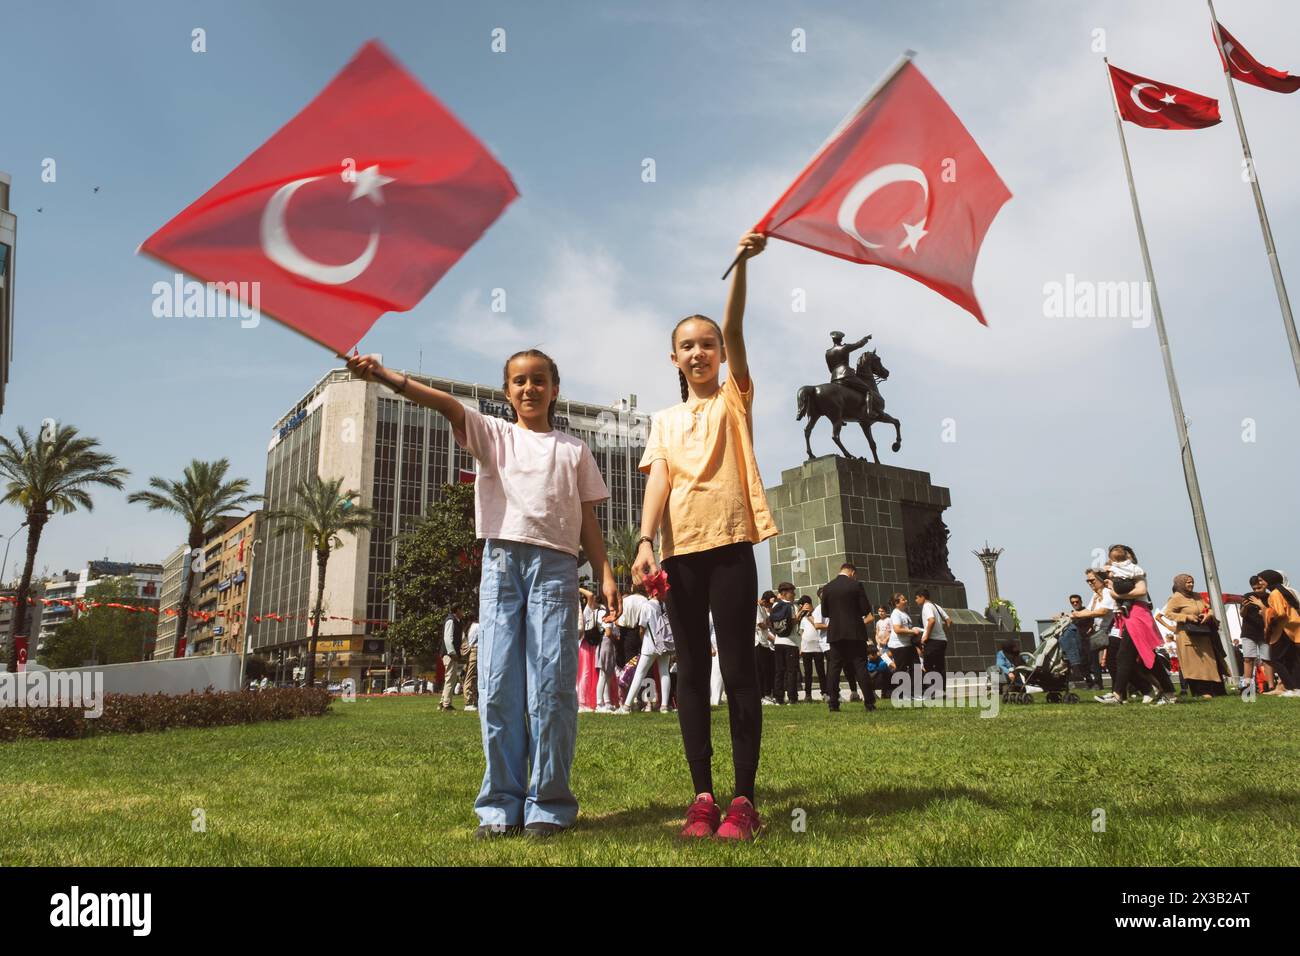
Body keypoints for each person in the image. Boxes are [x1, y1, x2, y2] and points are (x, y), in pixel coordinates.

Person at [347, 349, 618, 839]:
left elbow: (588, 519)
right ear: (507, 391)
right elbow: (448, 405)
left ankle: (548, 805)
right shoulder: (495, 435)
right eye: (519, 381)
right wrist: (388, 376)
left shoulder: (573, 449)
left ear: (555, 389)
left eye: (539, 380)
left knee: (552, 688)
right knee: (496, 685)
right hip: (502, 564)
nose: (529, 388)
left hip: (556, 566)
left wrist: (605, 573)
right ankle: (500, 806)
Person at [631, 231, 777, 841]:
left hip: (733, 547)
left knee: (739, 668)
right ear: (674, 359)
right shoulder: (663, 421)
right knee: (690, 671)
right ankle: (702, 796)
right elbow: (659, 478)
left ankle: (743, 800)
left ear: (720, 353)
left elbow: (737, 326)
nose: (699, 352)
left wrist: (740, 265)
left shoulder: (734, 402)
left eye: (707, 344)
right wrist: (644, 542)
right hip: (681, 554)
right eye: (687, 347)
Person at [1093, 545, 1176, 705]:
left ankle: (1118, 695)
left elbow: (1141, 590)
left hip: (1137, 616)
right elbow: (1098, 572)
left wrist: (1117, 593)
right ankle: (1169, 693)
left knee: (1124, 656)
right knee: (1147, 658)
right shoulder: (1118, 575)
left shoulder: (1135, 573)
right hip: (1129, 617)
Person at [821, 563, 877, 712]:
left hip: (835, 632)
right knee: (860, 666)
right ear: (852, 572)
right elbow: (865, 609)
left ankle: (833, 703)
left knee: (834, 668)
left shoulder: (827, 587)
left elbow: (825, 612)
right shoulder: (856, 585)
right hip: (855, 631)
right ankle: (869, 703)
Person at [617, 576, 675, 713]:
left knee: (639, 673)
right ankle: (664, 706)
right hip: (664, 644)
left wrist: (643, 638)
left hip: (649, 645)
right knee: (664, 672)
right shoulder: (665, 606)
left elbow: (642, 628)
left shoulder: (647, 606)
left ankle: (626, 706)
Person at [1162, 574, 1224, 699]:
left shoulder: (1198, 596)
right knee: (1193, 665)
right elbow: (1168, 613)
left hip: (1202, 634)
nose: (1191, 584)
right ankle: (1199, 691)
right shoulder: (1175, 598)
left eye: (1192, 582)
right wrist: (1186, 617)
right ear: (1180, 584)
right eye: (1188, 582)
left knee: (1207, 663)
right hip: (1187, 636)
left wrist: (1209, 614)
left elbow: (1208, 608)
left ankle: (1212, 689)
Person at [1258, 569, 1300, 697]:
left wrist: (1266, 613)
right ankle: (1296, 688)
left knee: (1276, 659)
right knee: (1293, 659)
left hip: (1282, 630)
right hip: (1293, 628)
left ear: (1269, 579)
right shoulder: (1286, 592)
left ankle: (1290, 687)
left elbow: (1279, 613)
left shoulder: (1275, 594)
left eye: (1261, 580)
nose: (1260, 583)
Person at [1239, 575, 1272, 694]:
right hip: (1249, 632)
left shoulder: (1270, 597)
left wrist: (1260, 605)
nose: (1257, 591)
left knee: (1267, 659)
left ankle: (1269, 685)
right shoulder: (1248, 596)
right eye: (1254, 588)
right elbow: (1242, 614)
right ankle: (1247, 687)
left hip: (1265, 632)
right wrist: (1245, 607)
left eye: (1259, 587)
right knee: (1248, 658)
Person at [916, 588, 951, 700]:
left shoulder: (926, 606)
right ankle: (942, 691)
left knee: (928, 666)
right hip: (942, 640)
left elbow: (931, 620)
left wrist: (926, 635)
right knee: (940, 667)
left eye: (916, 598)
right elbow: (949, 621)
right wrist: (941, 631)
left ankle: (932, 692)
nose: (916, 601)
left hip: (932, 641)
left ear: (922, 597)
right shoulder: (936, 606)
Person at [769, 582, 800, 705]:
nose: (794, 594)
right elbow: (792, 623)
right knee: (791, 671)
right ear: (785, 593)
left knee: (779, 671)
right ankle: (792, 698)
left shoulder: (776, 605)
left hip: (778, 642)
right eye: (792, 592)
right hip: (790, 642)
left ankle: (779, 698)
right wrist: (800, 615)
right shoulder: (791, 606)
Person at [887, 592, 922, 701]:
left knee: (916, 667)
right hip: (898, 645)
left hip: (907, 644)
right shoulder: (896, 613)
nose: (906, 601)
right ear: (897, 603)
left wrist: (915, 630)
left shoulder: (904, 613)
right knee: (901, 670)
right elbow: (897, 630)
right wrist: (912, 631)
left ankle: (915, 693)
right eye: (903, 599)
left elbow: (906, 628)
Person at [797, 596, 826, 702]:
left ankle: (824, 692)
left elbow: (818, 625)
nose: (803, 607)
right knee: (807, 672)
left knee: (820, 671)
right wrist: (801, 647)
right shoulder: (802, 618)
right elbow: (802, 633)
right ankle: (808, 695)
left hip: (818, 647)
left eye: (804, 605)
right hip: (806, 648)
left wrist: (811, 615)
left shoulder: (816, 614)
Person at [440, 606, 466, 712]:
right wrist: (452, 653)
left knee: (450, 679)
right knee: (450, 679)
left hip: (451, 654)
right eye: (462, 609)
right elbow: (447, 638)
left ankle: (443, 702)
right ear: (457, 610)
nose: (463, 612)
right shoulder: (451, 621)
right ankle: (446, 704)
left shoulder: (457, 621)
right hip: (449, 654)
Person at [596, 608, 622, 712]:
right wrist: (617, 638)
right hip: (606, 645)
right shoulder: (608, 619)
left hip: (608, 646)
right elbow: (608, 633)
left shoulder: (610, 618)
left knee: (608, 675)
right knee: (603, 675)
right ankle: (599, 703)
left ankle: (607, 702)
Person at [617, 584, 648, 668]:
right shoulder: (645, 601)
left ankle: (629, 680)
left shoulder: (625, 600)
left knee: (628, 663)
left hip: (626, 633)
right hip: (640, 632)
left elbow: (620, 622)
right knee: (641, 663)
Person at [755, 592, 777, 704]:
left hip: (764, 643)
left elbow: (767, 621)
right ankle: (762, 696)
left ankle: (767, 694)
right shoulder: (756, 607)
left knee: (767, 670)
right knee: (761, 671)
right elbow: (761, 624)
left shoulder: (762, 609)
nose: (769, 607)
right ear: (764, 601)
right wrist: (768, 625)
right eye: (768, 604)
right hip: (758, 642)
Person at [463, 611, 480, 712]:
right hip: (475, 651)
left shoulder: (469, 628)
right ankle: (468, 702)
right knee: (470, 677)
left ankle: (473, 700)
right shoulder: (477, 626)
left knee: (472, 677)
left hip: (472, 651)